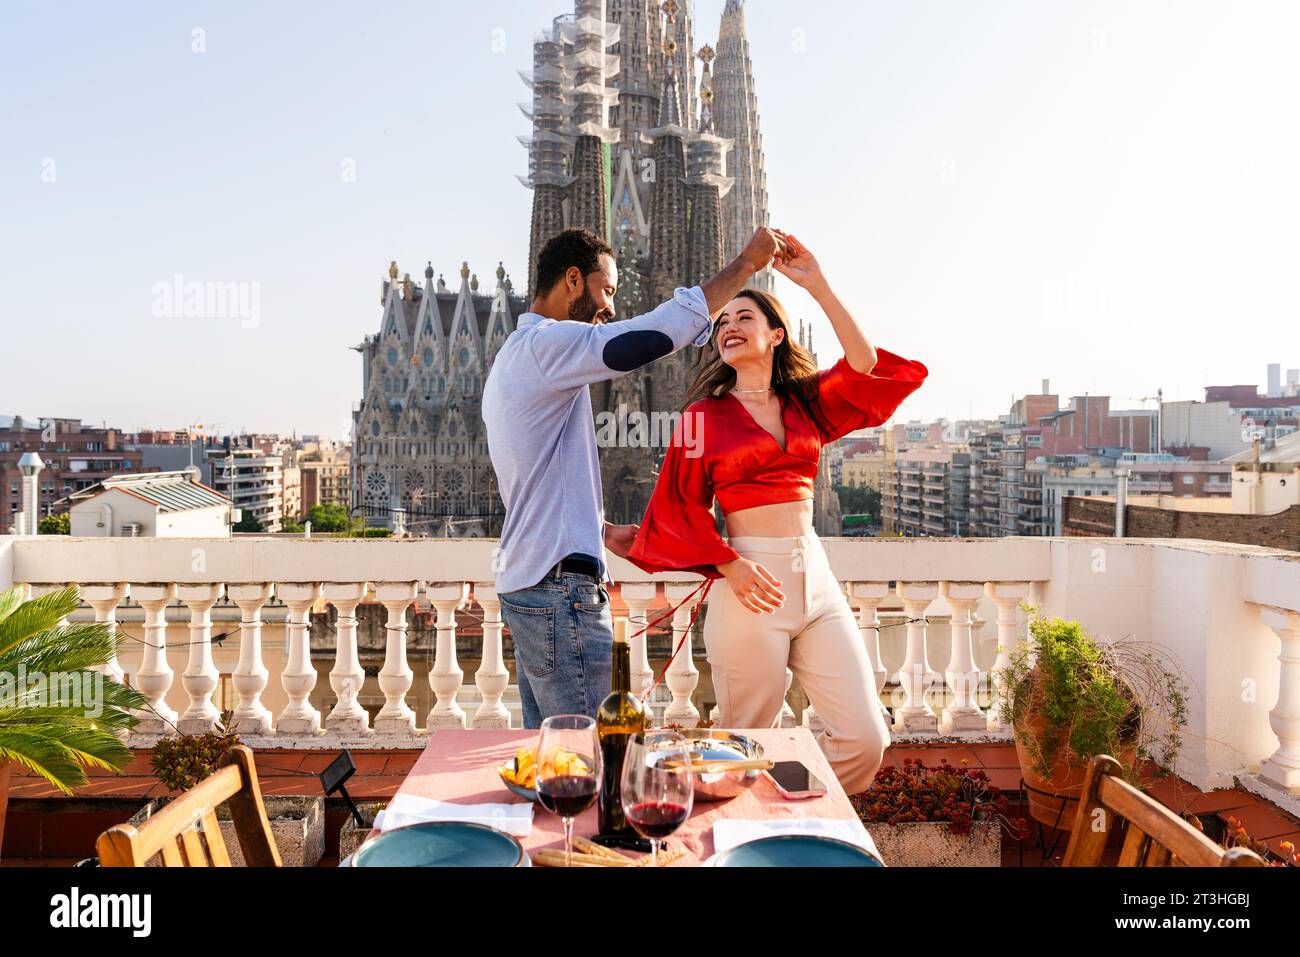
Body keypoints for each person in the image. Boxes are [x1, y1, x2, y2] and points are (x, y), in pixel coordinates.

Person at [625, 231, 927, 794]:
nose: (729, 325)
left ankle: (791, 808)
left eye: (744, 316)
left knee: (866, 741)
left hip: (817, 582)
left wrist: (818, 284)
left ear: (776, 335)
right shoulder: (701, 417)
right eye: (722, 321)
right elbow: (678, 506)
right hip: (750, 585)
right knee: (740, 750)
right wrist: (729, 564)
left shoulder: (805, 403)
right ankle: (743, 827)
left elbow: (864, 366)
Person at [482, 225, 792, 729]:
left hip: (530, 585)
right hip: (559, 593)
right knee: (600, 747)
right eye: (606, 291)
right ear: (573, 280)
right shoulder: (547, 345)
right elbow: (651, 337)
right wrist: (746, 265)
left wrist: (597, 530)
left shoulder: (514, 357)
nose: (610, 308)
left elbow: (531, 477)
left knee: (557, 751)